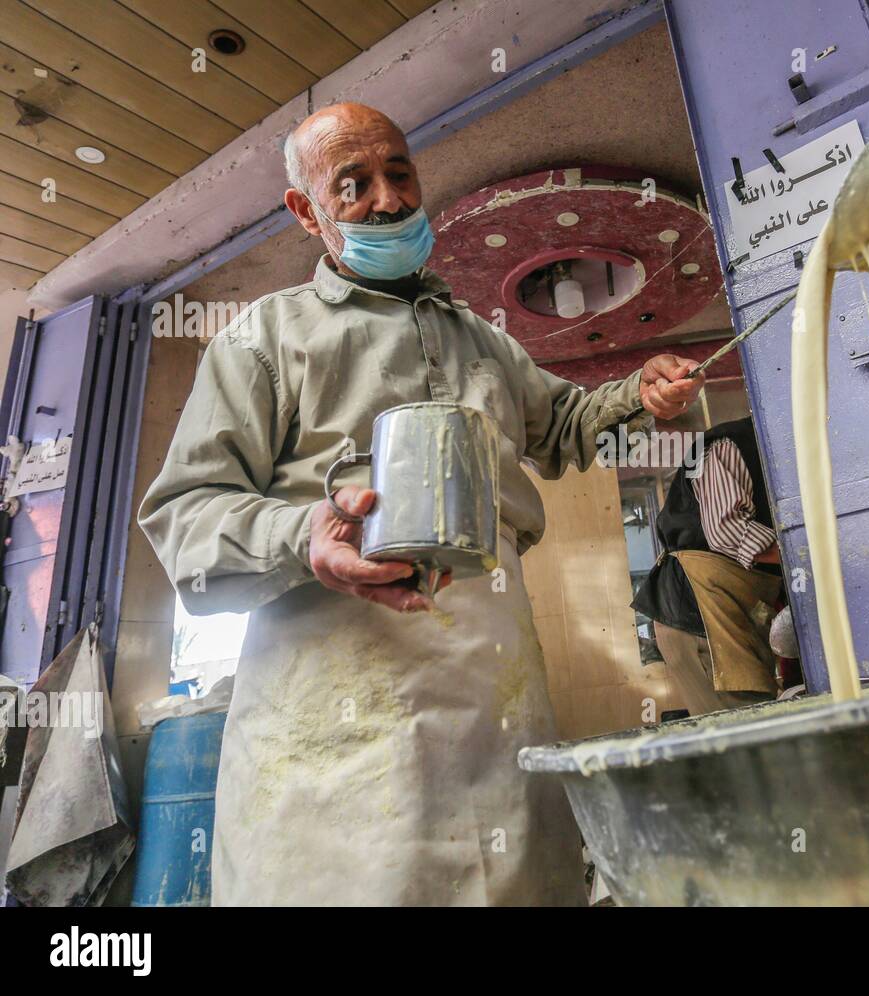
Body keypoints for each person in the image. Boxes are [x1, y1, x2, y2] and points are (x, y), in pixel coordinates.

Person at [138, 103, 703, 906]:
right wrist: (305, 534)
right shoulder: (264, 338)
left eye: (398, 173)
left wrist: (639, 395)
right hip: (336, 713)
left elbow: (567, 428)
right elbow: (185, 514)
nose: (388, 199)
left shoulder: (483, 339)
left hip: (496, 695)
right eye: (352, 184)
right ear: (306, 212)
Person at [632, 417, 784, 715]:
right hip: (698, 618)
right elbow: (729, 531)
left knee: (759, 716)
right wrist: (808, 553)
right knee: (744, 731)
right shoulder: (728, 446)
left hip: (728, 610)